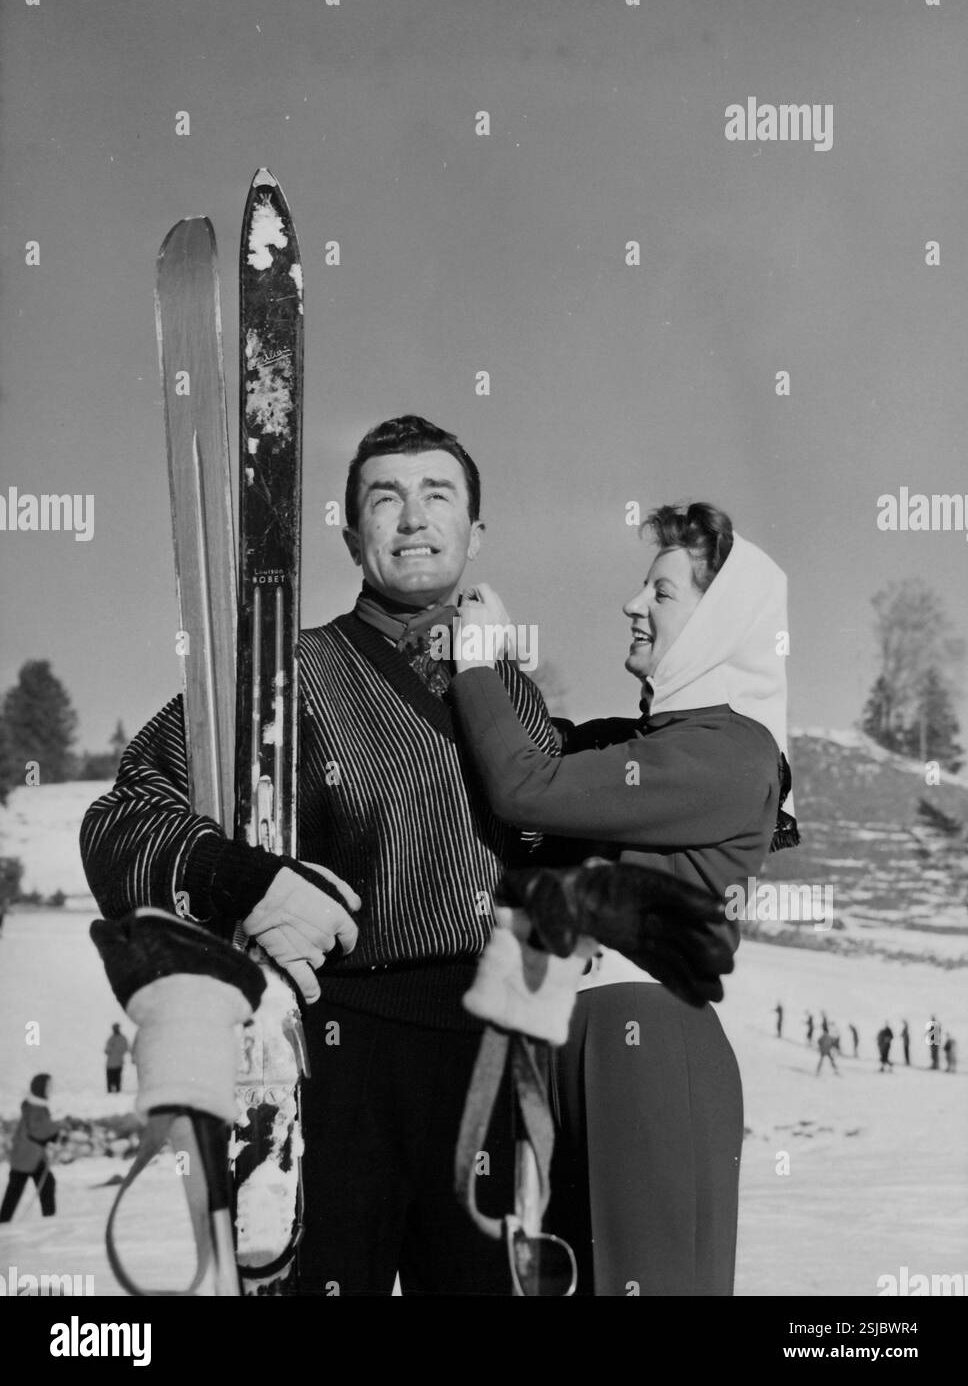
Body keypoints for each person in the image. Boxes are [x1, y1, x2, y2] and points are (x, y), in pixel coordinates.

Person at [81, 415, 573, 1297]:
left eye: (438, 496)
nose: (413, 519)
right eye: (385, 499)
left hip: (489, 1075)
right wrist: (246, 881)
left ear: (476, 531)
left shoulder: (515, 697)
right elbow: (120, 820)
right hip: (329, 1063)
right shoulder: (286, 675)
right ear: (350, 534)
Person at [450, 502, 797, 1295]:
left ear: (722, 623)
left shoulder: (730, 751)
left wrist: (476, 664)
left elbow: (525, 786)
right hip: (579, 1036)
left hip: (642, 1040)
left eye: (662, 593)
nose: (632, 605)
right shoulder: (649, 741)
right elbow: (549, 751)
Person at [0, 1074, 65, 1221]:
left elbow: (42, 1131)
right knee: (16, 1190)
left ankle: (48, 1217)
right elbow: (38, 1131)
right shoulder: (35, 1108)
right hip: (25, 1157)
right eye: (49, 1086)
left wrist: (54, 1131)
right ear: (41, 1088)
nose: (51, 1089)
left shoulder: (37, 1106)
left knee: (45, 1183)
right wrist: (57, 1128)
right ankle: (4, 1220)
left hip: (30, 1156)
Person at [104, 1023, 129, 1093]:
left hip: (117, 1064)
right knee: (111, 1081)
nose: (115, 1030)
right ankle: (111, 1095)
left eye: (116, 1028)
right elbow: (106, 1051)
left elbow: (126, 1048)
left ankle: (117, 1095)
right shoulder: (111, 1039)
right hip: (110, 1064)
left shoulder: (122, 1038)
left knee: (117, 1081)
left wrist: (114, 1049)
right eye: (114, 1028)